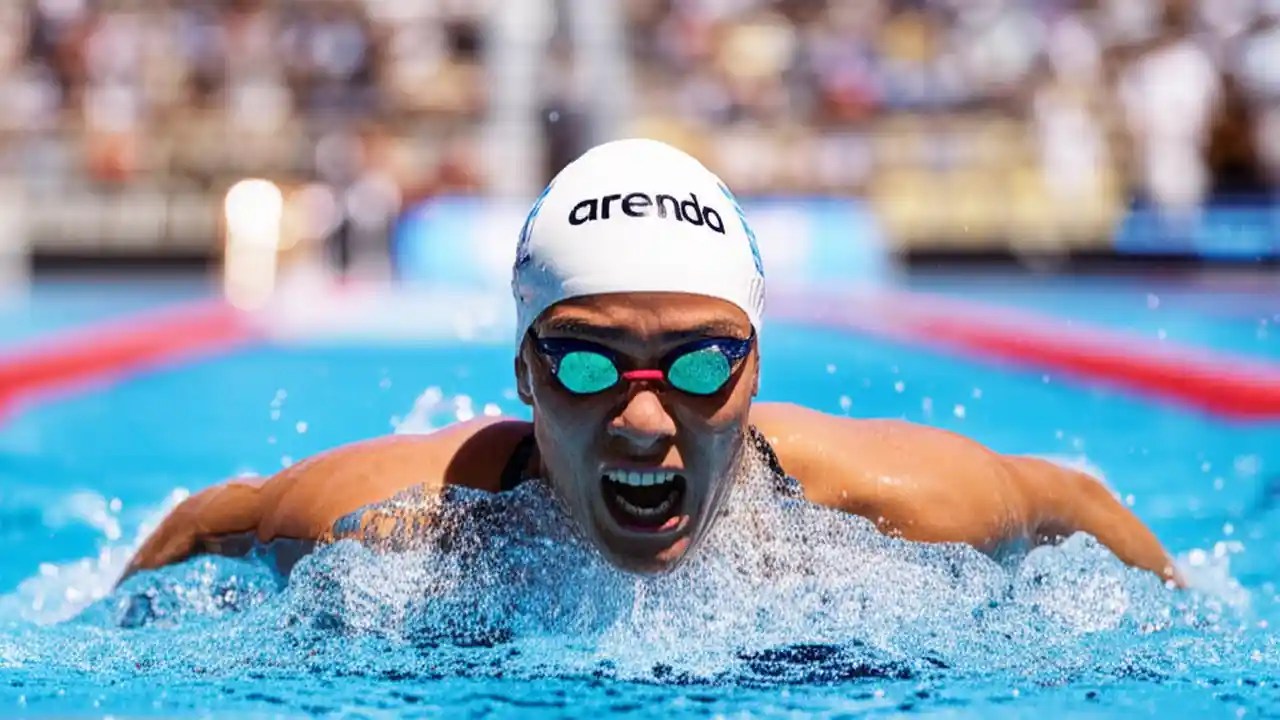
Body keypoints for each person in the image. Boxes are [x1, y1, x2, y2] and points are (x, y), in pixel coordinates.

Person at [120, 139, 1181, 586]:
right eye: (588, 366)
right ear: (525, 373)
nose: (643, 418)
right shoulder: (389, 524)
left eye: (696, 362)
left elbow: (1069, 500)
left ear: (753, 368)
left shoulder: (906, 505)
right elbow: (210, 520)